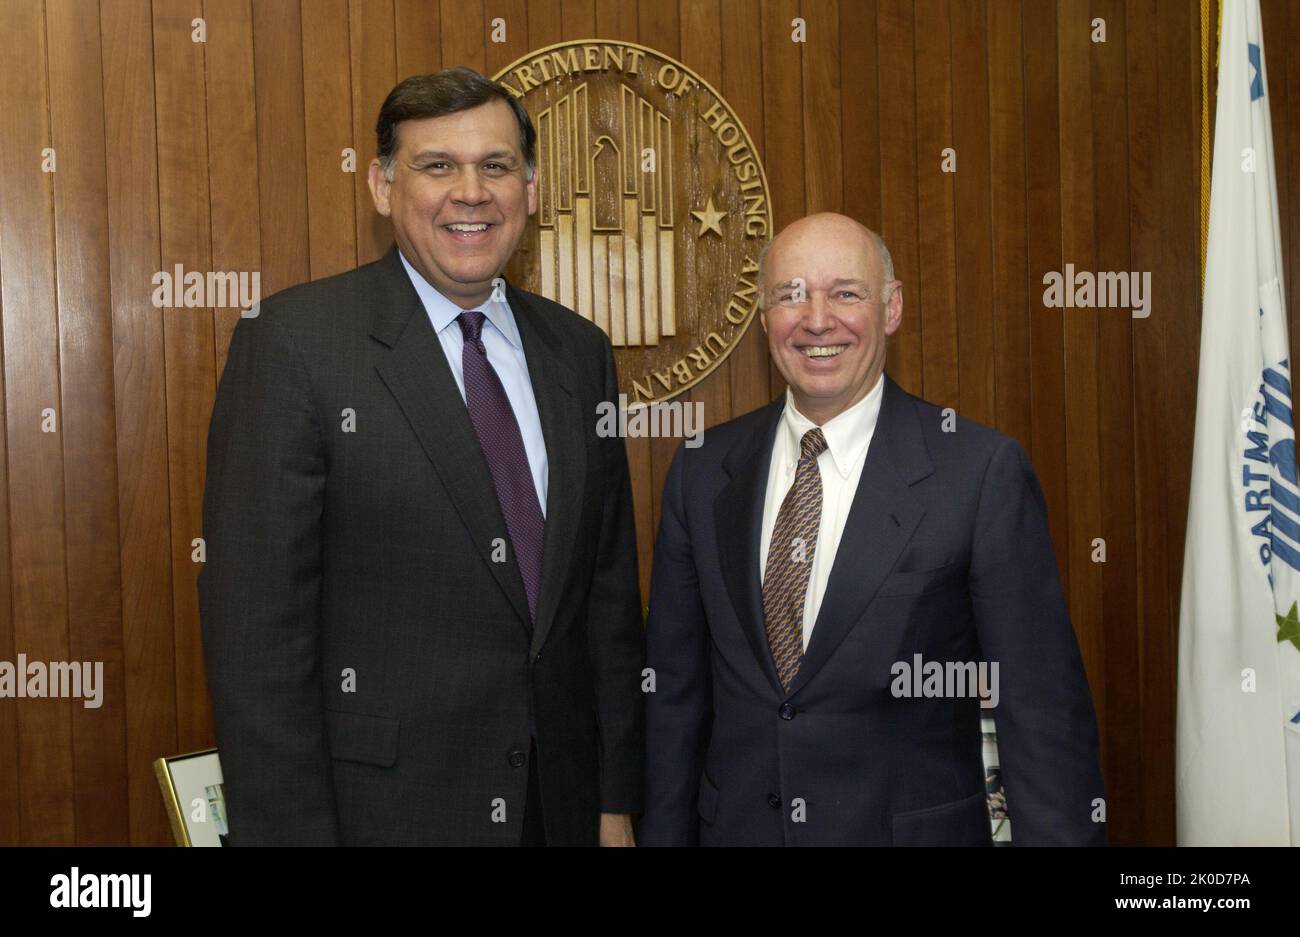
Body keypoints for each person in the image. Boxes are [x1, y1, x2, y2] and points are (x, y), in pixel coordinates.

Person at [199, 67, 643, 846]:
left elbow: (604, 597)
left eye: (496, 166)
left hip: (561, 808)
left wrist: (612, 800)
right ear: (380, 186)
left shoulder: (579, 352)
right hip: (384, 816)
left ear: (531, 188)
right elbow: (256, 642)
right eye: (437, 165)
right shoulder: (295, 344)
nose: (469, 193)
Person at [640, 212, 1105, 846]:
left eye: (846, 293)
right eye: (790, 294)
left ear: (891, 308)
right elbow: (674, 699)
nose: (817, 318)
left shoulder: (977, 472)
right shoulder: (701, 469)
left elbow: (1041, 713)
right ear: (763, 315)